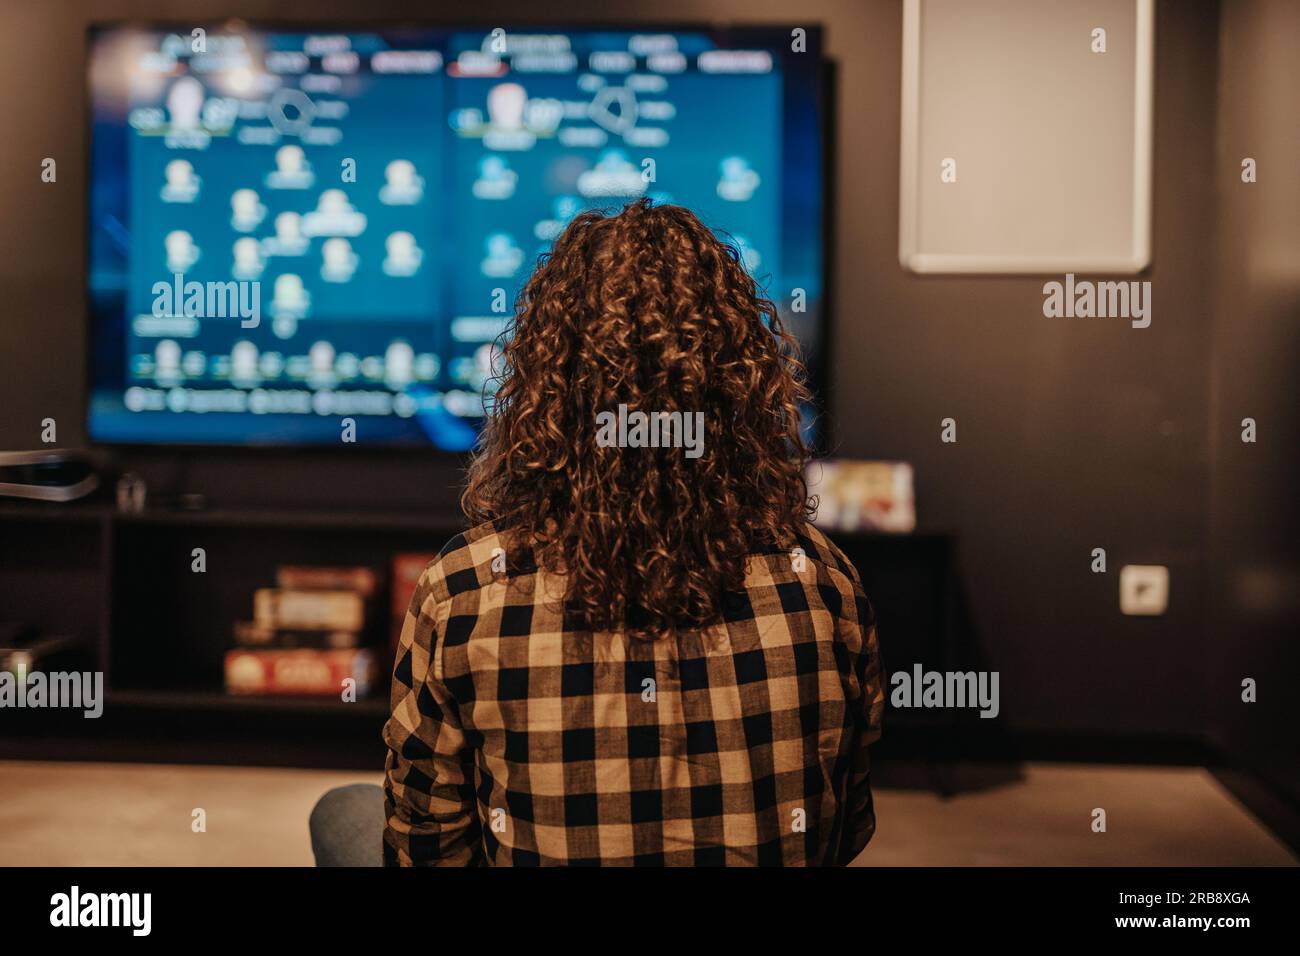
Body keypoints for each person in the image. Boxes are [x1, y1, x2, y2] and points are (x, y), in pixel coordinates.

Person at [310, 198, 883, 866]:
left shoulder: (467, 591)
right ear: (741, 385)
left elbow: (425, 847)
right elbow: (841, 832)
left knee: (342, 811)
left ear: (545, 385)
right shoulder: (822, 582)